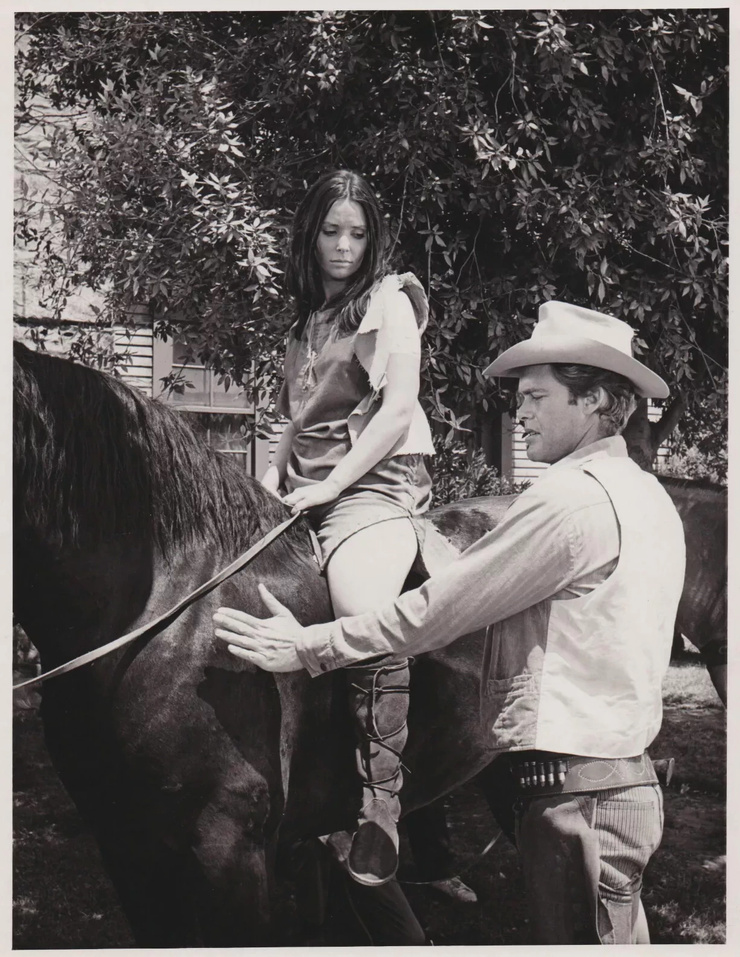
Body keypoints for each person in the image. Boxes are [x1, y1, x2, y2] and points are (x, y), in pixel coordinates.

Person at [214, 301, 687, 944]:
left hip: (576, 799)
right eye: (519, 398)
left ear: (596, 400)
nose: (519, 413)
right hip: (621, 782)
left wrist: (310, 645)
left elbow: (439, 610)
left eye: (536, 396)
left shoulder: (572, 499)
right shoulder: (646, 493)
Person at [258, 169, 436, 887]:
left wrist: (333, 485)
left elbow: (398, 410)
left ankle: (379, 804)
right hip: (305, 493)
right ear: (311, 235)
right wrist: (267, 483)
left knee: (363, 610)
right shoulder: (304, 325)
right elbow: (289, 422)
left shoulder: (389, 301)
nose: (343, 246)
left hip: (371, 487)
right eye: (331, 230)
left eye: (357, 233)